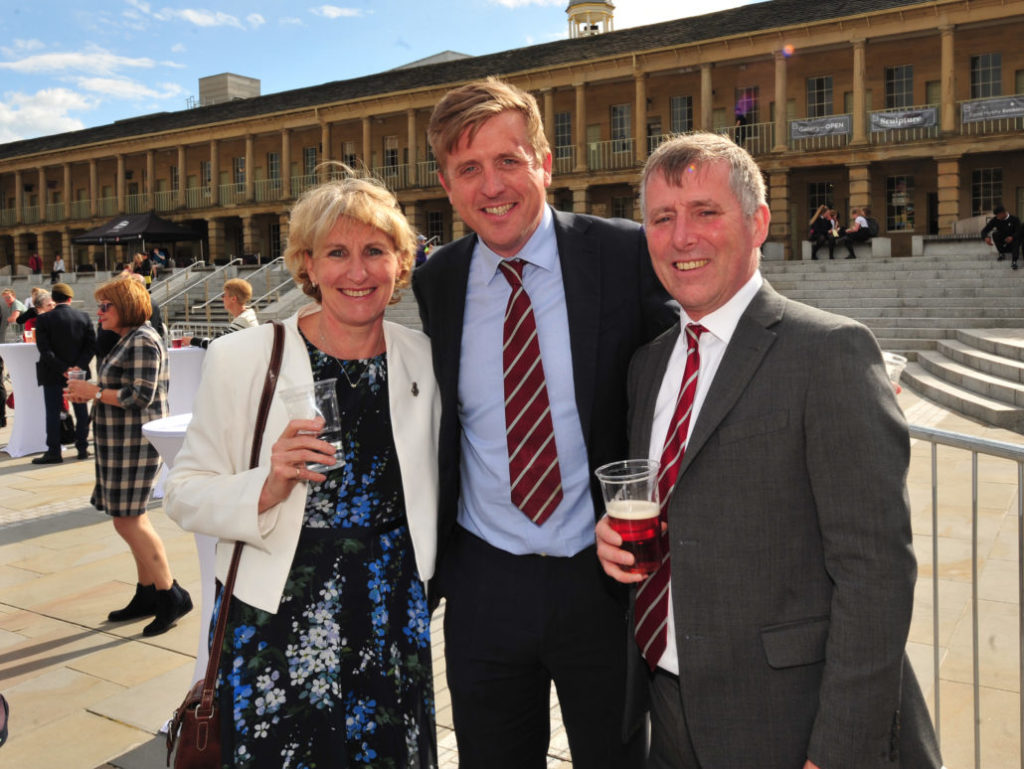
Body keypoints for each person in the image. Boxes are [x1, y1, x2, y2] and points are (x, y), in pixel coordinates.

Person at [595, 132, 942, 769]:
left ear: (757, 224)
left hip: (790, 721)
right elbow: (680, 496)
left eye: (706, 212)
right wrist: (612, 539)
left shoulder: (830, 351)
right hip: (667, 715)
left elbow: (876, 573)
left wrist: (836, 753)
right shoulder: (648, 365)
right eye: (662, 218)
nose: (681, 237)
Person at [412, 77, 672, 769]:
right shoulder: (438, 279)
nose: (491, 185)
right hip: (484, 581)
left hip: (604, 578)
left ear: (545, 164)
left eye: (508, 160)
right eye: (469, 168)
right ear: (446, 184)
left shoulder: (624, 255)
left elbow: (689, 370)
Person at [166, 171, 440, 768]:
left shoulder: (421, 355)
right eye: (335, 253)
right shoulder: (245, 357)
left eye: (375, 251)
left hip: (390, 611)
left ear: (400, 263)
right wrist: (265, 484)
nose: (357, 271)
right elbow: (182, 493)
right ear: (307, 266)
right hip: (277, 611)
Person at [65, 277, 192, 636]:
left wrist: (94, 391)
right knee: (129, 518)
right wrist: (91, 393)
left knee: (128, 520)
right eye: (99, 306)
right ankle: (148, 591)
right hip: (120, 443)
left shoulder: (142, 339)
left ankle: (170, 593)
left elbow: (141, 395)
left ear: (127, 307)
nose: (99, 312)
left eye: (107, 306)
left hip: (134, 445)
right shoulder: (129, 339)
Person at [32, 284, 93, 463]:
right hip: (78, 372)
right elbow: (90, 346)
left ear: (54, 299)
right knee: (81, 411)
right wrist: (76, 368)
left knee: (52, 412)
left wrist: (63, 369)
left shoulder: (43, 320)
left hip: (52, 371)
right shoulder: (83, 317)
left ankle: (54, 451)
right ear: (70, 298)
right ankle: (82, 448)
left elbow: (44, 350)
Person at [187, 277, 259, 348]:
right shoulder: (248, 315)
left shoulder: (243, 319)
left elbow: (215, 345)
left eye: (224, 295)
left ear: (233, 299)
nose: (222, 298)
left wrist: (192, 340)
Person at [981, 205, 1022, 269]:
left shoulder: (1014, 219)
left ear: (1003, 213)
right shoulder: (995, 220)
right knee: (995, 234)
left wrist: (1012, 237)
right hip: (1003, 243)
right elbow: (984, 230)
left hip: (1014, 243)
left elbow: (1019, 231)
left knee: (1016, 239)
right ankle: (1001, 253)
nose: (997, 217)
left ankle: (1014, 261)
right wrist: (985, 237)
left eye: (998, 215)